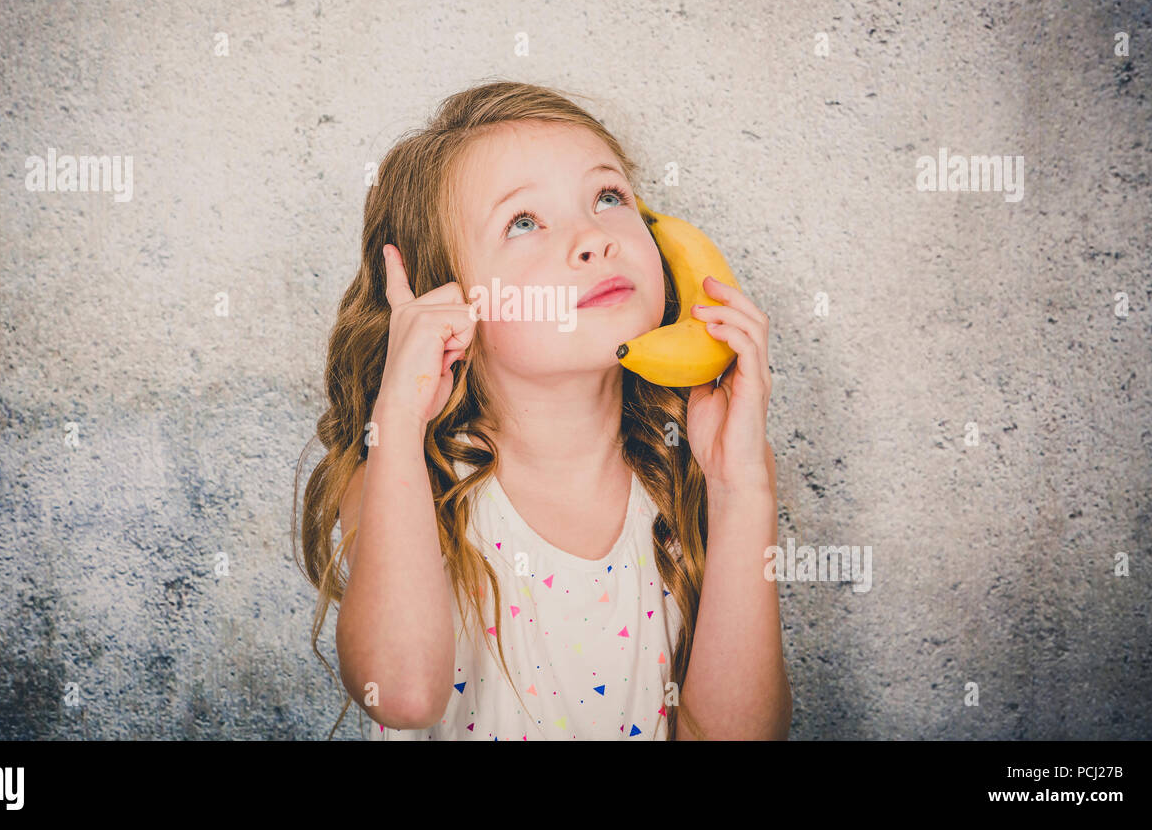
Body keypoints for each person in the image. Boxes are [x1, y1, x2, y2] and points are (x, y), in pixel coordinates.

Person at [293, 79, 789, 740]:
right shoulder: (406, 477)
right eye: (523, 222)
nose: (594, 238)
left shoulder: (696, 472)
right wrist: (399, 421)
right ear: (446, 300)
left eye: (608, 197)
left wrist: (741, 491)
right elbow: (403, 695)